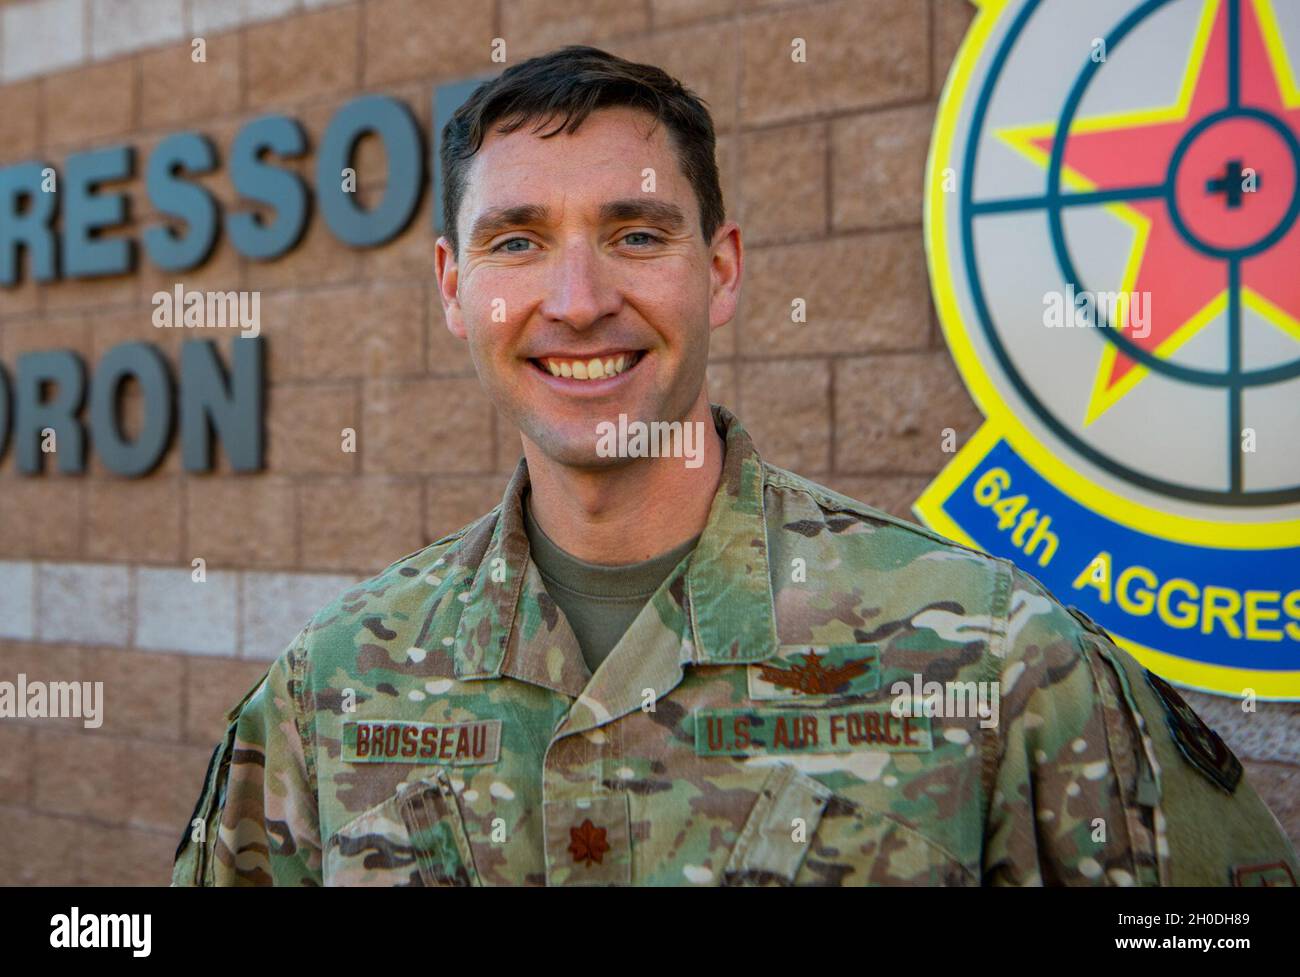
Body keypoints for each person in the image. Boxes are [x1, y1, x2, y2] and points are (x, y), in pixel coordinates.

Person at [172, 45, 1298, 887]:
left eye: (636, 233)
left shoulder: (997, 658)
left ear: (719, 271)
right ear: (453, 287)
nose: (577, 302)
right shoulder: (327, 691)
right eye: (515, 240)